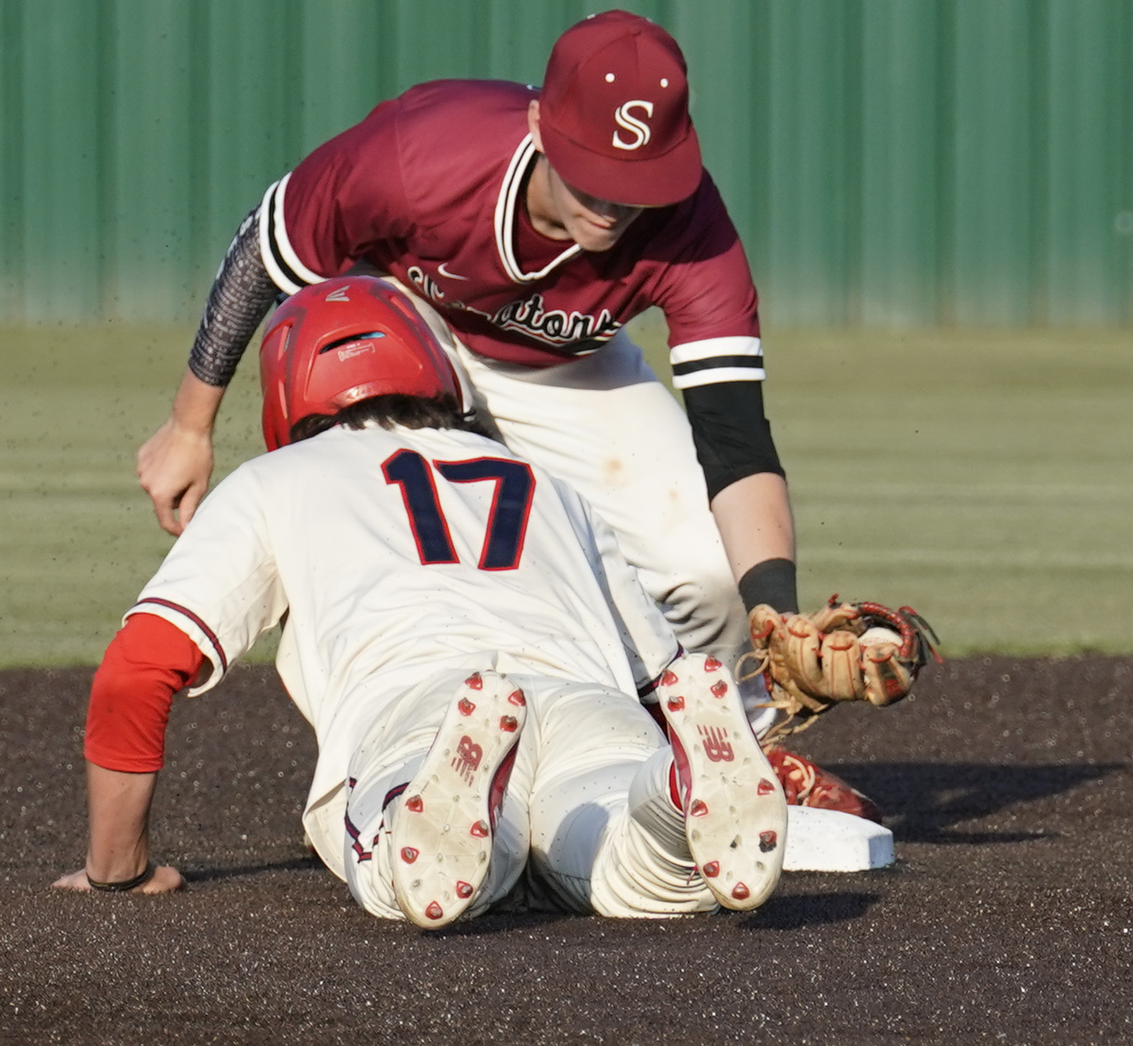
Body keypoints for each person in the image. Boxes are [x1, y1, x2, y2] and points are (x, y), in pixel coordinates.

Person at [136, 9, 880, 818]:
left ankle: (739, 753)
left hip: (566, 372)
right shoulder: (423, 154)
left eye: (640, 180)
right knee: (402, 560)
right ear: (538, 125)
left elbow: (734, 437)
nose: (615, 203)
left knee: (706, 569)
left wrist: (773, 606)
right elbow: (267, 247)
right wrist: (189, 425)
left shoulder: (692, 224)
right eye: (593, 171)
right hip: (403, 334)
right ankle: (404, 767)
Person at [55, 277, 786, 926]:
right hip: (586, 701)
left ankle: (428, 801)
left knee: (413, 866)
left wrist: (119, 872)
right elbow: (665, 680)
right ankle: (667, 794)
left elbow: (137, 670)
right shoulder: (545, 481)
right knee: (621, 855)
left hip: (423, 707)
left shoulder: (276, 480)